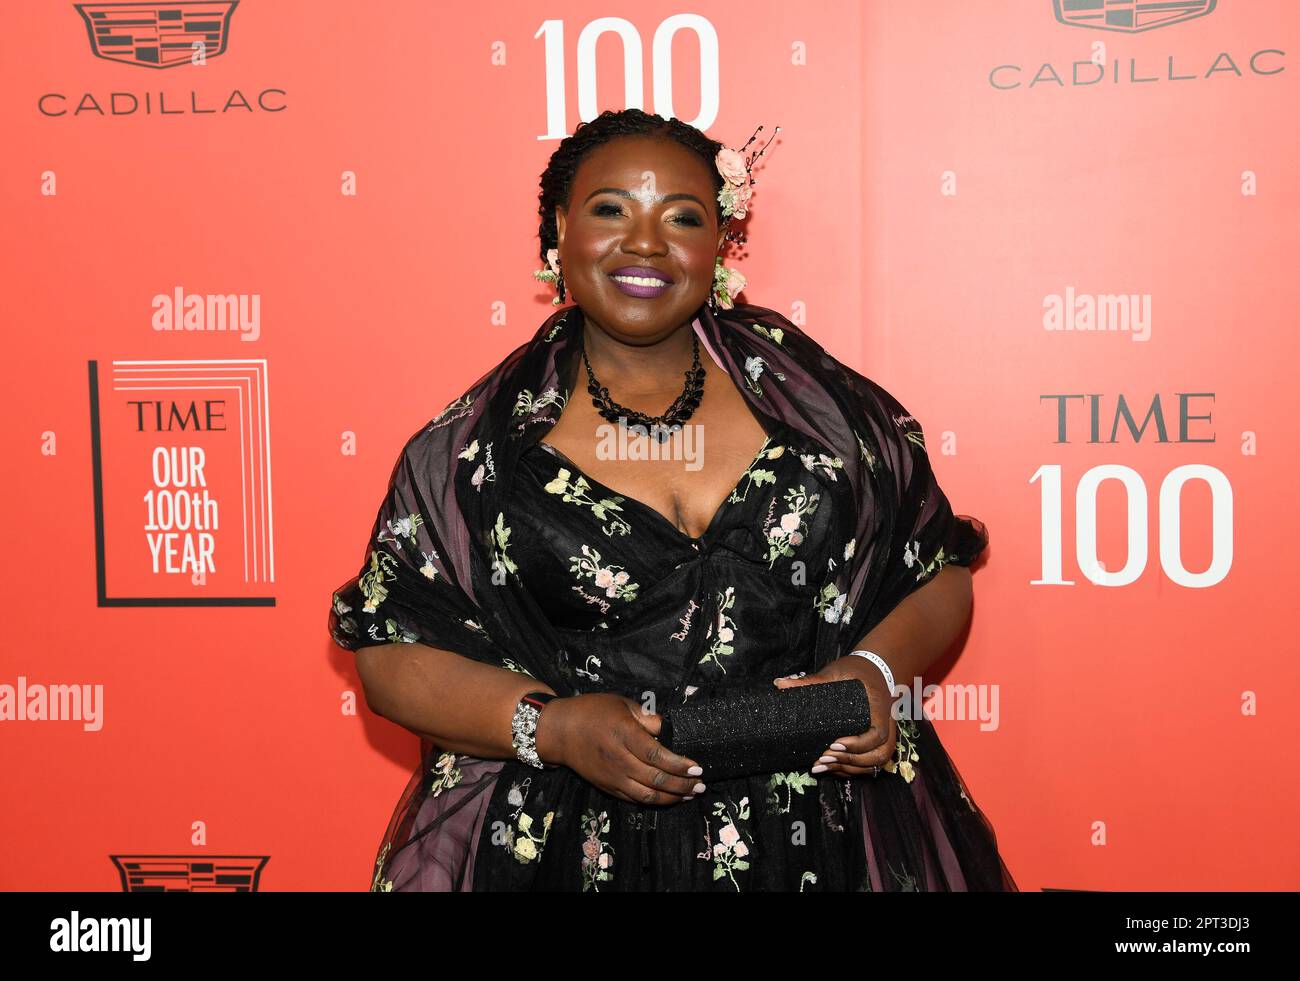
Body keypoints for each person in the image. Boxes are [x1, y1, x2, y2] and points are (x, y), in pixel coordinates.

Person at [328, 108, 1017, 892]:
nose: (646, 243)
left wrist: (872, 667)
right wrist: (551, 726)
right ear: (560, 228)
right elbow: (389, 652)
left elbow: (937, 570)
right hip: (578, 847)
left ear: (720, 239)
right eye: (611, 210)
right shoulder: (479, 451)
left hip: (825, 832)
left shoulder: (819, 406)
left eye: (681, 216)